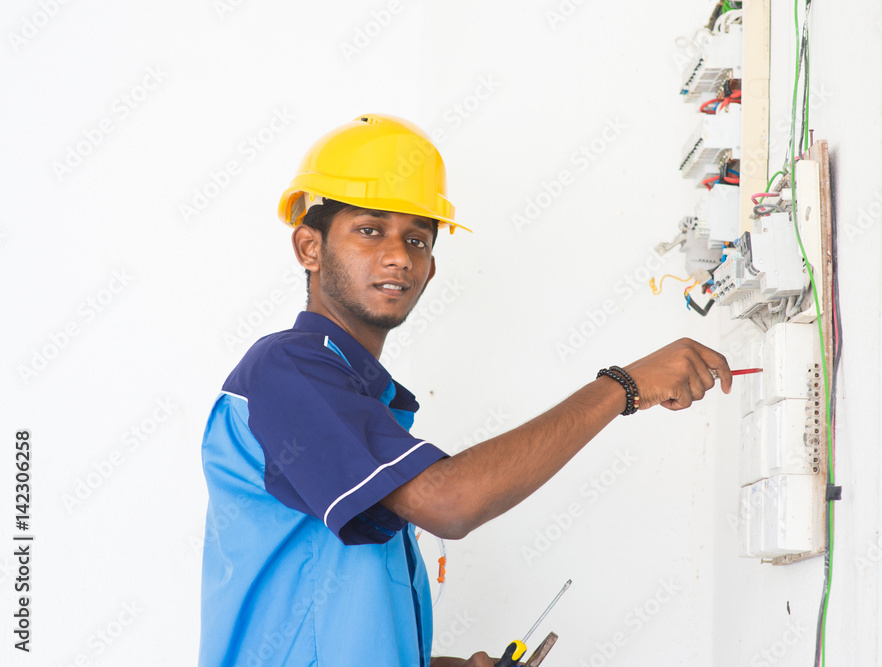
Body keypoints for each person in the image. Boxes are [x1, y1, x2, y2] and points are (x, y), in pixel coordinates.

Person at [198, 113, 732, 667]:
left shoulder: (354, 398)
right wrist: (623, 386)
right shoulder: (285, 370)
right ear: (309, 248)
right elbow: (449, 504)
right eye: (369, 229)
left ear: (429, 271)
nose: (398, 255)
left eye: (417, 239)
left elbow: (325, 628)